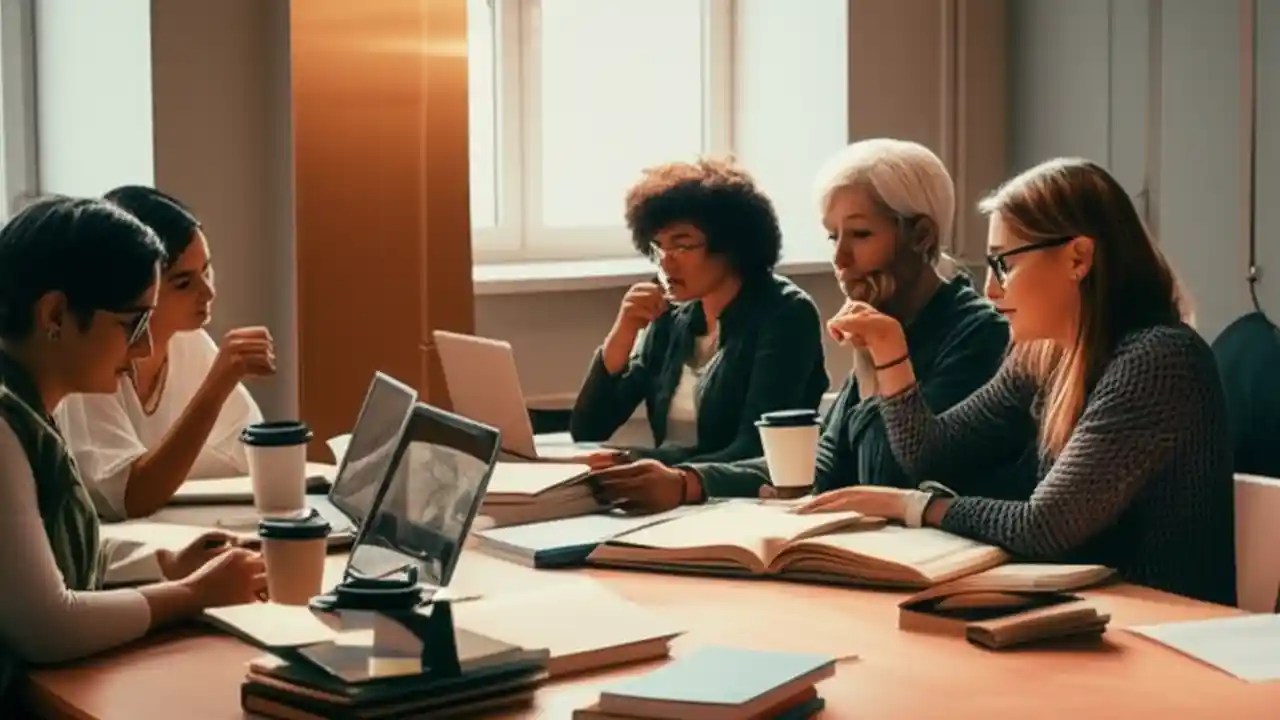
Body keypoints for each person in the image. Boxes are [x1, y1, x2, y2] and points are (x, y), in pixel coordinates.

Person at [796, 158, 1235, 605]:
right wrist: (891, 353)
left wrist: (912, 506)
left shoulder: (1158, 360)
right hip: (1086, 612)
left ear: (1077, 258)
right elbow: (931, 454)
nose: (990, 289)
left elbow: (1044, 526)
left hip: (1164, 628)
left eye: (1004, 264)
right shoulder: (1044, 354)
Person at [589, 140, 1013, 513]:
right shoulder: (888, 321)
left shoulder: (977, 333)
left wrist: (881, 357)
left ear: (921, 236)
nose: (840, 259)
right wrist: (689, 483)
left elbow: (898, 473)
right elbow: (823, 462)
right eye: (833, 237)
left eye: (861, 234)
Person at [0, 197, 264, 703]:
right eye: (133, 324)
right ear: (55, 314)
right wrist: (191, 596)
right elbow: (48, 625)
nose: (143, 349)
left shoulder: (30, 410)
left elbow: (45, 554)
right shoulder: (3, 428)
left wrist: (166, 563)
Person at [570, 157, 829, 467]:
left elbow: (754, 450)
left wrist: (637, 462)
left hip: (743, 499)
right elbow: (589, 428)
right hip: (666, 495)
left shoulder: (786, 314)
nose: (666, 261)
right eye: (658, 246)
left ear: (731, 245)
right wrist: (622, 335)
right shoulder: (672, 316)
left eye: (683, 245)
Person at [55, 186, 274, 520]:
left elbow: (252, 457)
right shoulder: (91, 361)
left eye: (207, 270)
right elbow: (127, 497)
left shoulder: (191, 343)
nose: (209, 291)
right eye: (184, 283)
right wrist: (217, 385)